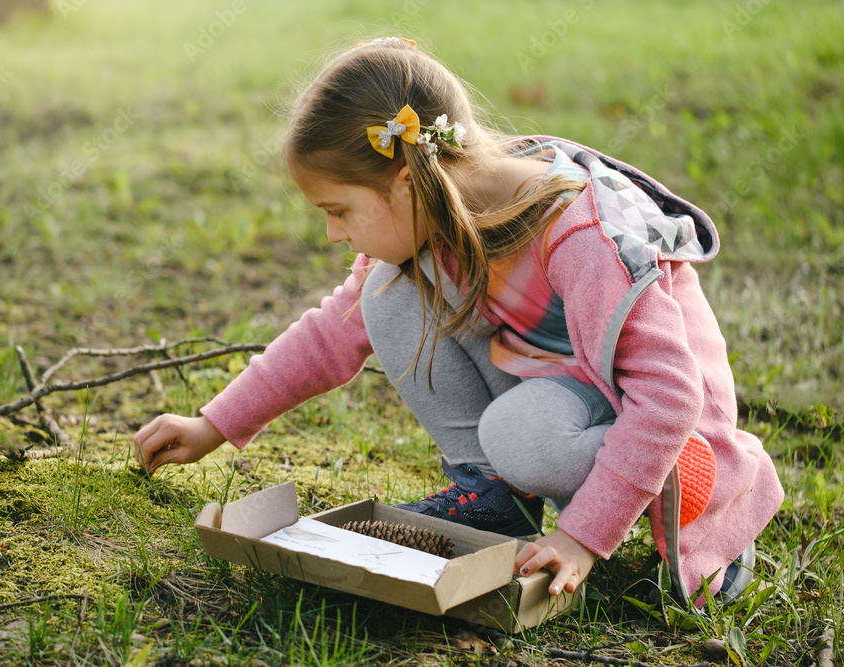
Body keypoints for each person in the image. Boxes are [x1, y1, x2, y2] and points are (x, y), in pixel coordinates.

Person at [133, 37, 784, 607]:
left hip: (663, 413)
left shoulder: (580, 231)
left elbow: (670, 392)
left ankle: (693, 483)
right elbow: (332, 333)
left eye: (338, 210)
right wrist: (213, 423)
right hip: (566, 394)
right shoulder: (431, 223)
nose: (332, 233)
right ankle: (493, 495)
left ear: (407, 183)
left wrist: (581, 537)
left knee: (522, 435)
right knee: (384, 292)